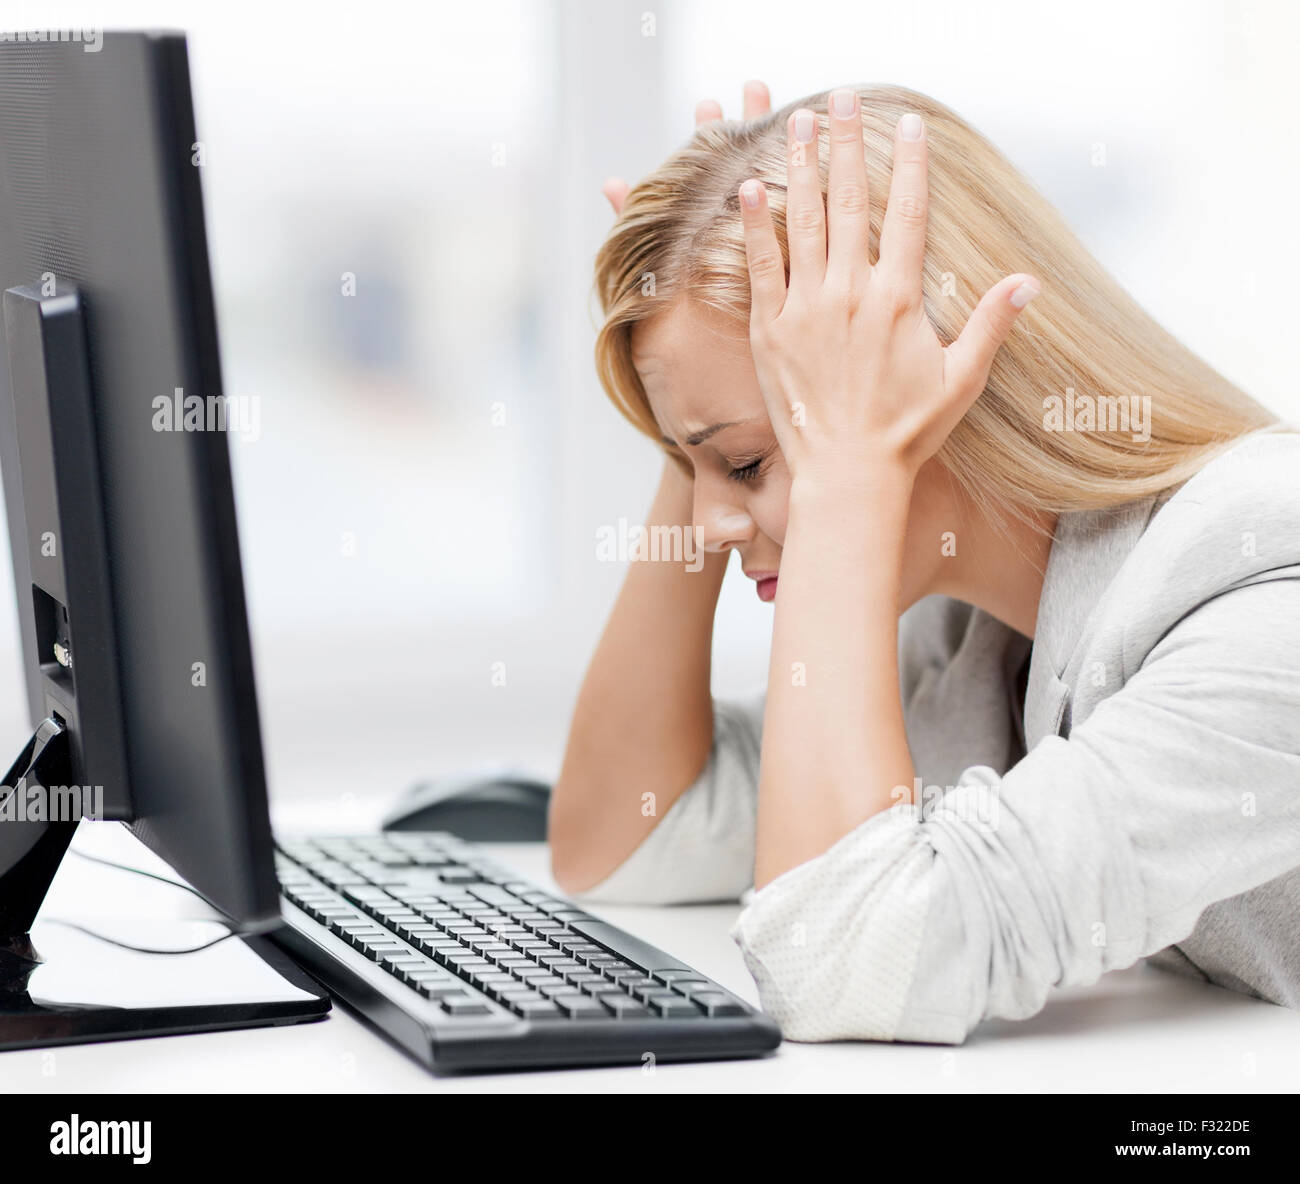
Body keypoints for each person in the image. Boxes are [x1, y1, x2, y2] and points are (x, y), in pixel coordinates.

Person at [548, 81, 1300, 1043]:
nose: (707, 526)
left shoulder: (1257, 580)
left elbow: (848, 958)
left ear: (943, 379)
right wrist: (697, 410)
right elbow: (626, 835)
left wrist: (848, 465)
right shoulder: (970, 640)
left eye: (743, 463)